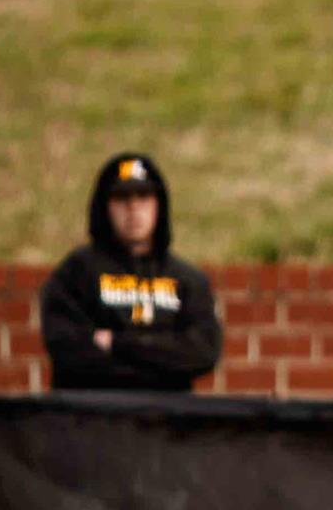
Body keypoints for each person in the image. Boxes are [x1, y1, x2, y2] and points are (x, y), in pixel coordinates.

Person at [39, 152, 222, 391]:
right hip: (90, 420)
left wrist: (116, 342)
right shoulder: (76, 273)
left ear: (159, 205)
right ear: (105, 206)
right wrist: (163, 358)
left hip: (168, 422)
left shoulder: (187, 279)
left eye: (144, 196)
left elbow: (202, 353)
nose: (134, 207)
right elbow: (69, 351)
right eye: (122, 197)